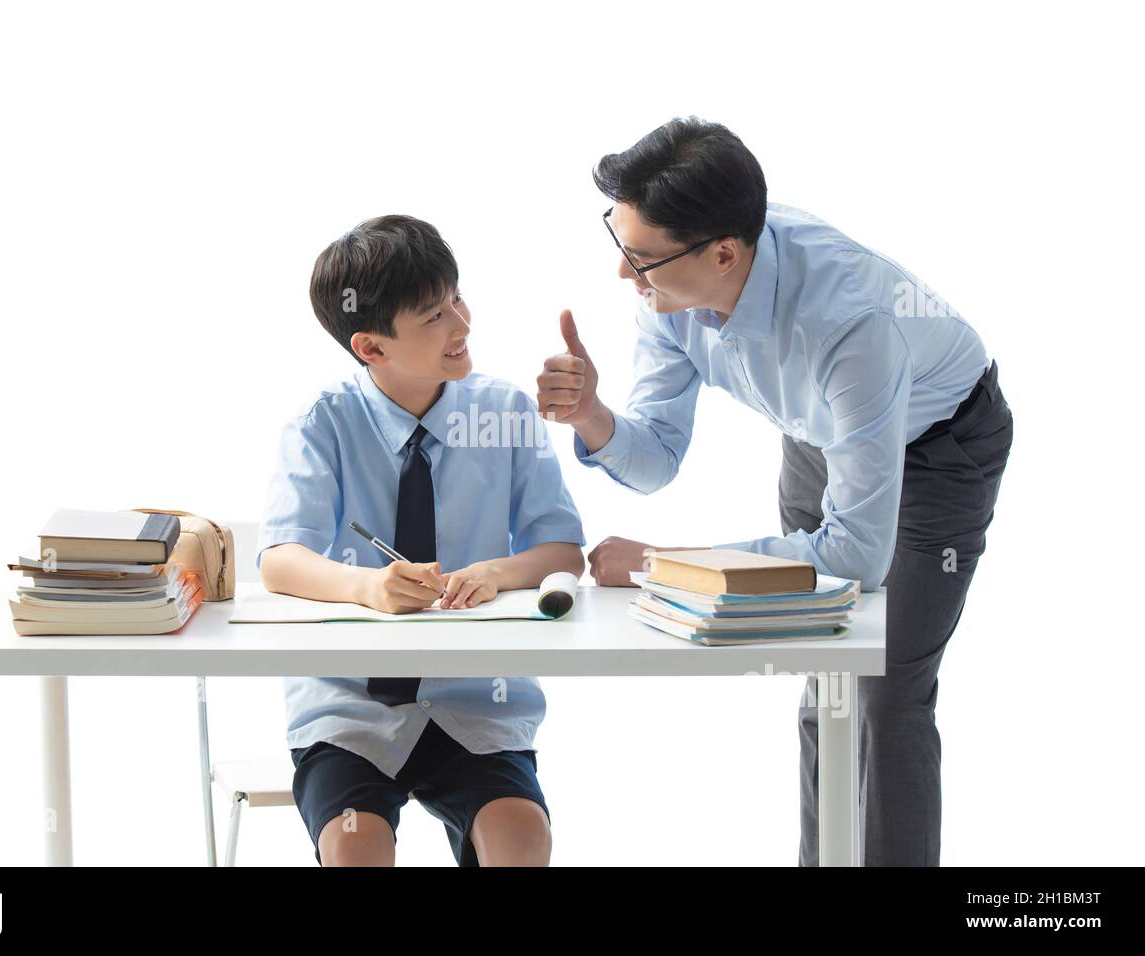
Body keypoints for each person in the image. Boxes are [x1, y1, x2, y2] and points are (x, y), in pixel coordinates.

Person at [536, 117, 1013, 866]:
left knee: (885, 694)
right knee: (828, 684)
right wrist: (594, 416)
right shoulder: (670, 293)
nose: (625, 276)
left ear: (723, 253)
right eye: (621, 247)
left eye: (641, 259)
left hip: (938, 448)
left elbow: (855, 556)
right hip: (822, 436)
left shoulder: (851, 323)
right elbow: (657, 458)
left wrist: (663, 563)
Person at [259, 214, 585, 866]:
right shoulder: (323, 422)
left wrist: (498, 571)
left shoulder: (505, 412)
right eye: (433, 316)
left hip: (477, 701)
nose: (462, 326)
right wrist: (366, 588)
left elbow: (563, 551)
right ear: (372, 347)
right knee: (357, 848)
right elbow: (280, 560)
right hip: (348, 708)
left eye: (456, 298)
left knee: (521, 839)